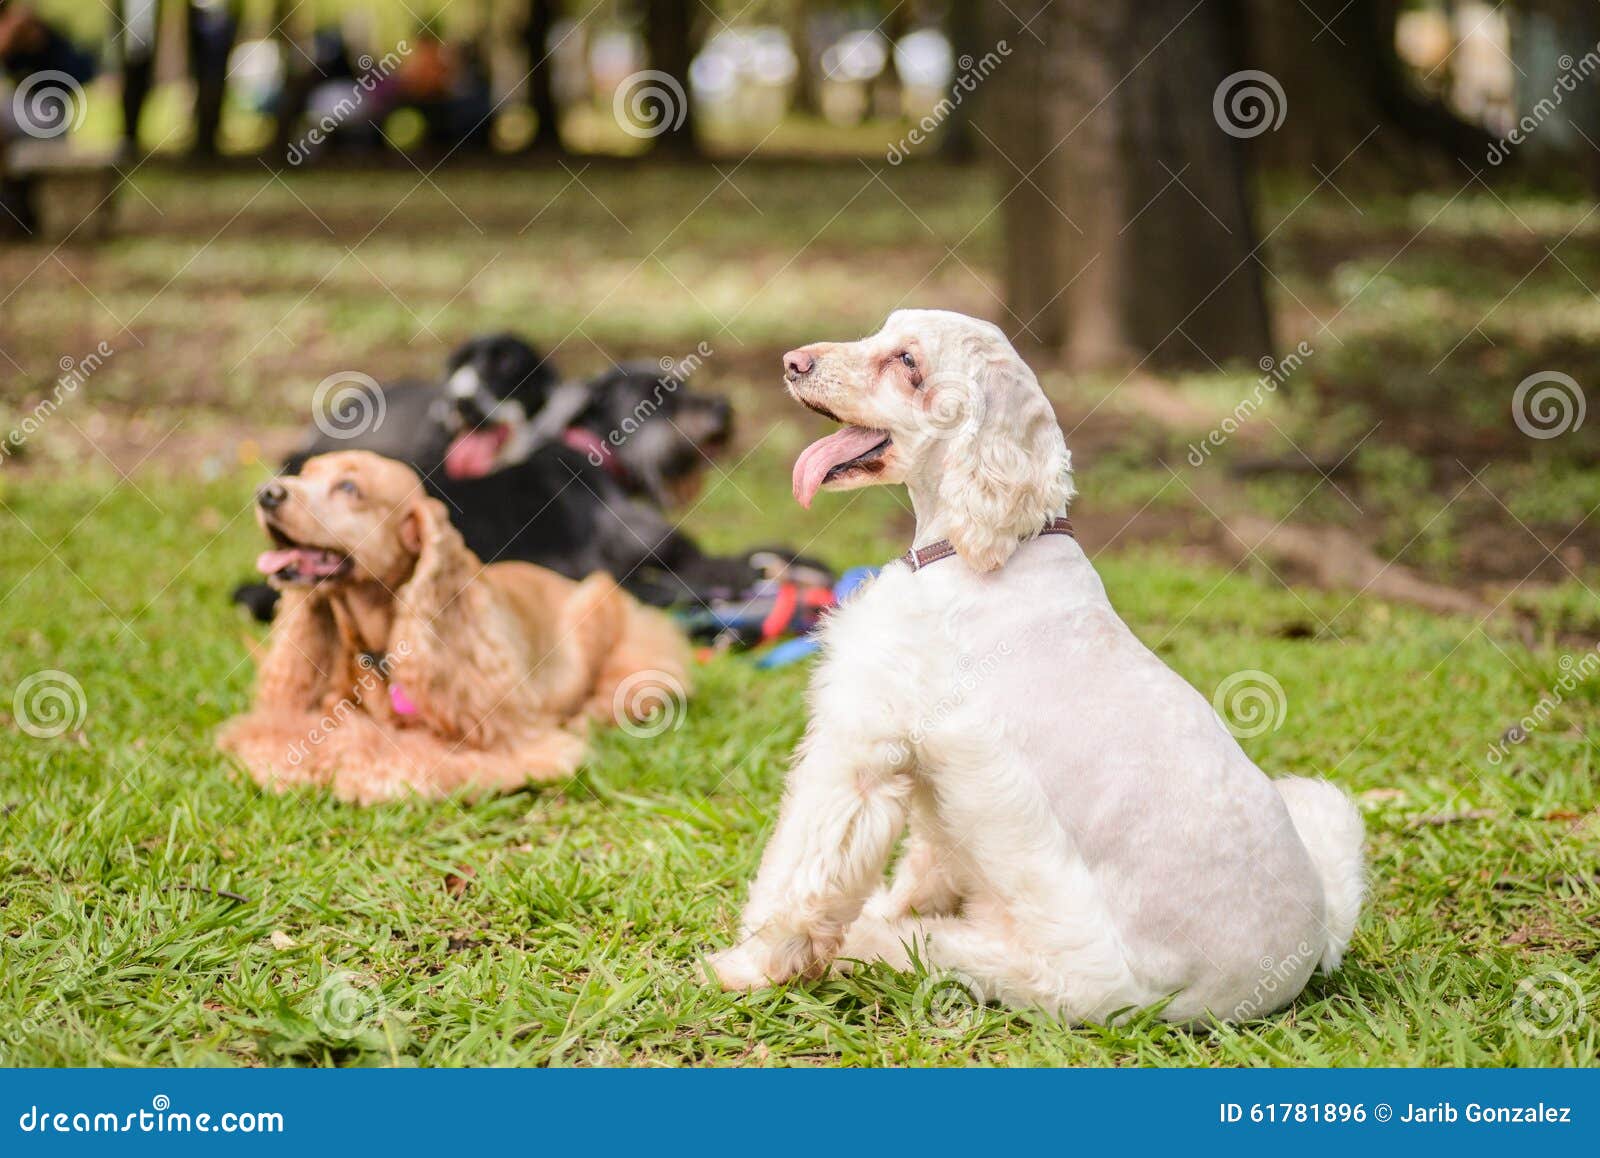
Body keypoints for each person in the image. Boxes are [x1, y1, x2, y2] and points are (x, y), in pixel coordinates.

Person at [0, 1, 96, 236]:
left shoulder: (47, 37)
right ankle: (13, 211)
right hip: (23, 112)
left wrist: (41, 43)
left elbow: (82, 73)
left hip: (48, 113)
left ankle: (12, 212)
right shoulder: (13, 42)